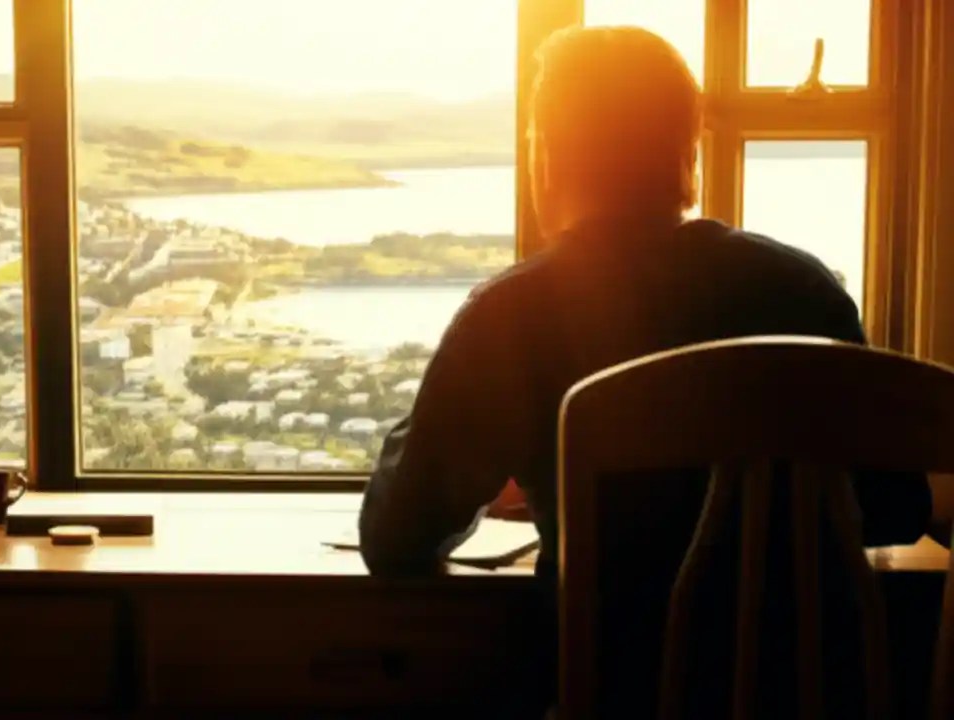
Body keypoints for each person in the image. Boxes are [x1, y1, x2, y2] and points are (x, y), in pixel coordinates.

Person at [357, 25, 931, 718]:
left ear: (544, 157)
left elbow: (397, 539)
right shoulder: (803, 288)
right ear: (687, 155)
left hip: (612, 699)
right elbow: (895, 508)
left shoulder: (512, 315)